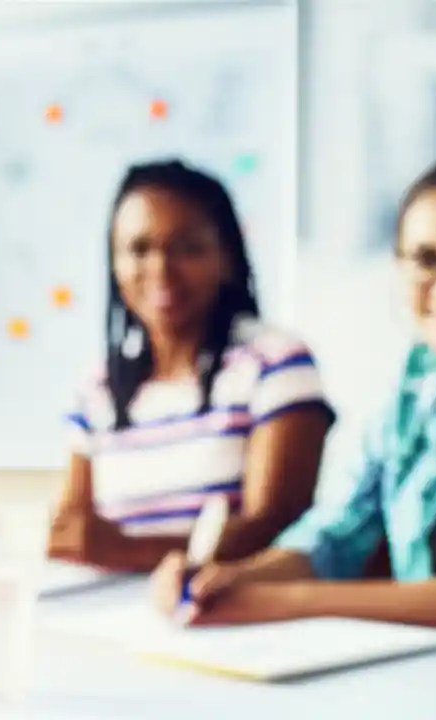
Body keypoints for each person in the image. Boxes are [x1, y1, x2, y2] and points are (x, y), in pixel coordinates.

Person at [151, 159, 436, 640]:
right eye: (427, 261)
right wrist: (226, 579)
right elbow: (332, 537)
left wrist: (287, 601)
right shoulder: (415, 398)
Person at [49, 160, 334, 572]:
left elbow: (275, 528)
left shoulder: (275, 362)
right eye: (139, 249)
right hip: (107, 619)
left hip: (227, 615)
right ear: (115, 263)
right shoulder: (99, 387)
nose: (161, 270)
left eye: (188, 248)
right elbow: (78, 532)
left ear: (227, 257)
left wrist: (127, 552)